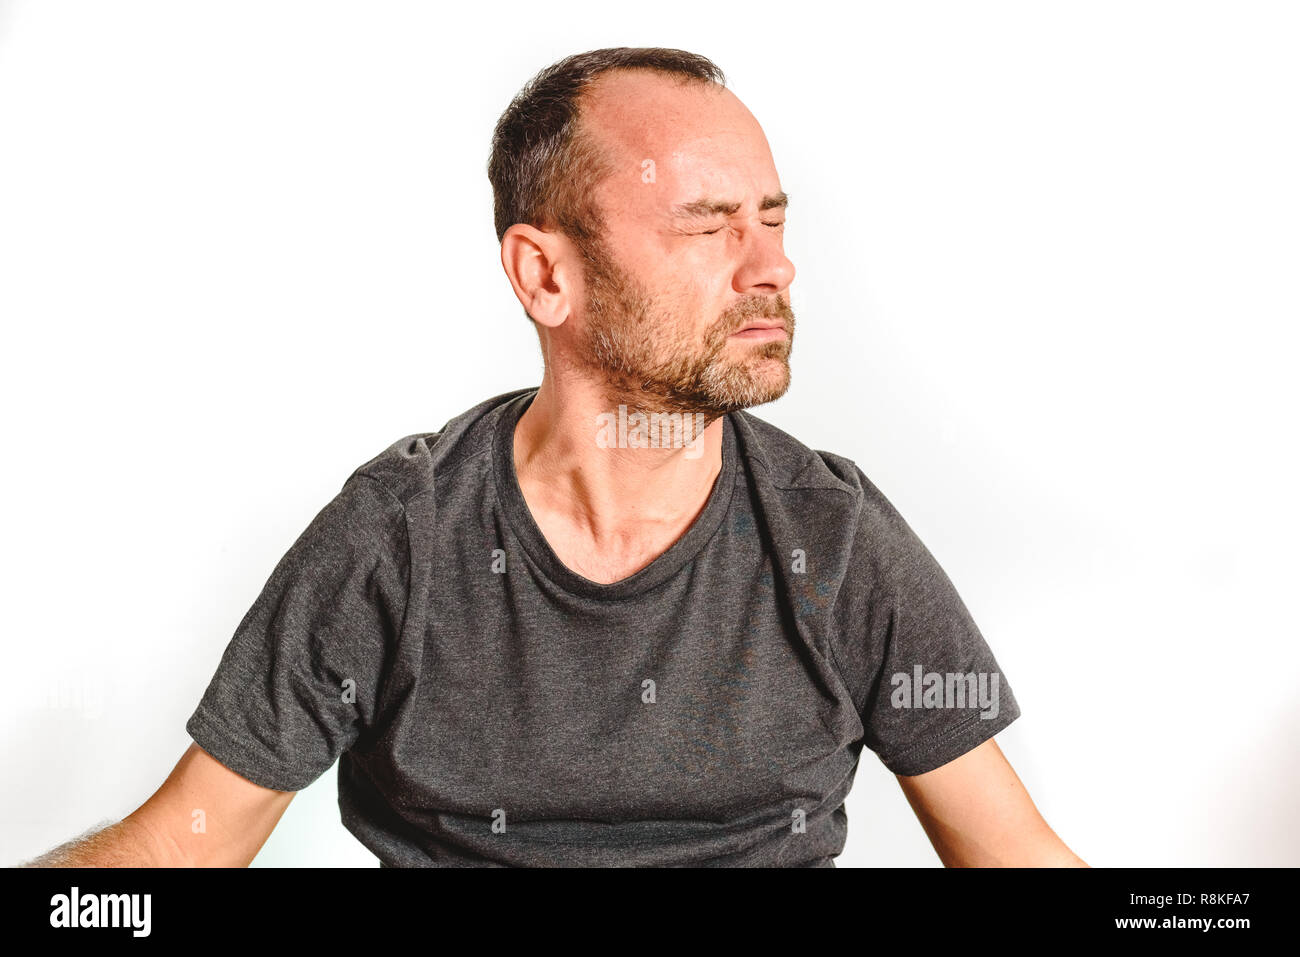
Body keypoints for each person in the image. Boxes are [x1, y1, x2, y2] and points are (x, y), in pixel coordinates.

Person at [24, 47, 1087, 867]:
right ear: (543, 277)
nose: (773, 265)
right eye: (707, 224)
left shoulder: (831, 538)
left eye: (769, 218)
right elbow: (181, 847)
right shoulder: (398, 539)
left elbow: (1015, 858)